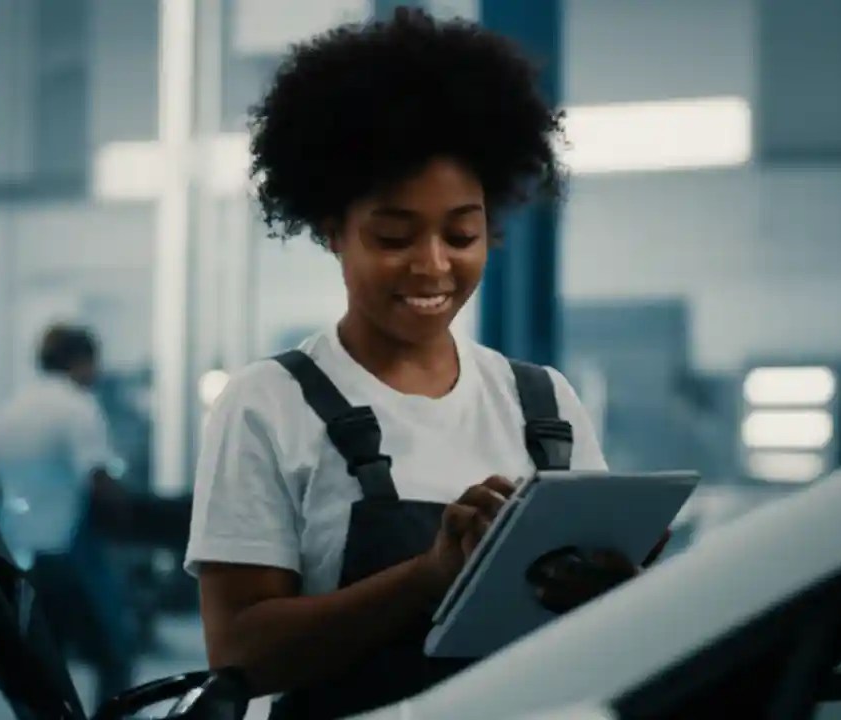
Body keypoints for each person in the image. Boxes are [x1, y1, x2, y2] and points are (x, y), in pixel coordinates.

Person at [185, 9, 661, 719]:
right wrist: (431, 576)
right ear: (330, 229)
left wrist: (617, 586)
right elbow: (241, 654)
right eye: (393, 235)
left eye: (461, 233)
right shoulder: (269, 405)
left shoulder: (545, 404)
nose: (433, 265)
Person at [0, 323, 133, 706]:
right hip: (68, 553)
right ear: (80, 362)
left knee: (44, 661)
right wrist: (135, 516)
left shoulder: (10, 409)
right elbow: (97, 478)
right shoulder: (77, 406)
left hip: (20, 557)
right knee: (116, 653)